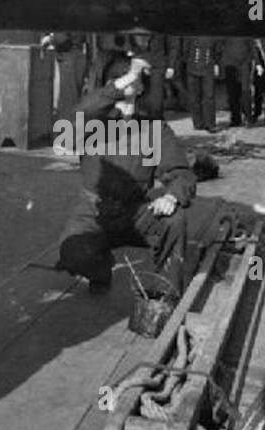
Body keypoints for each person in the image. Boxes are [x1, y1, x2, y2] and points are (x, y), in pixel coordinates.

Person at [56, 54, 196, 297]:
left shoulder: (152, 128)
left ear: (142, 87)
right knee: (74, 253)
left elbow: (181, 173)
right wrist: (126, 80)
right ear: (111, 84)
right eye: (120, 78)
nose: (130, 84)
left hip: (135, 211)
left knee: (174, 221)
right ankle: (101, 271)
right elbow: (74, 116)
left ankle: (163, 294)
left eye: (135, 80)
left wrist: (171, 197)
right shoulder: (91, 123)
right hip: (92, 213)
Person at [181, 36, 221, 132]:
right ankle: (198, 122)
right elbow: (185, 51)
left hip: (208, 68)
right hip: (192, 68)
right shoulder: (190, 35)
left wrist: (216, 63)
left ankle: (210, 124)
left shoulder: (213, 36)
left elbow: (218, 51)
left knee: (209, 96)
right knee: (194, 97)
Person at [219, 36, 253, 127]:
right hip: (229, 64)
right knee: (232, 93)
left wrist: (248, 60)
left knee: (245, 92)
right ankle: (235, 119)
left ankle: (248, 118)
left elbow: (251, 46)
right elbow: (219, 45)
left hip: (244, 64)